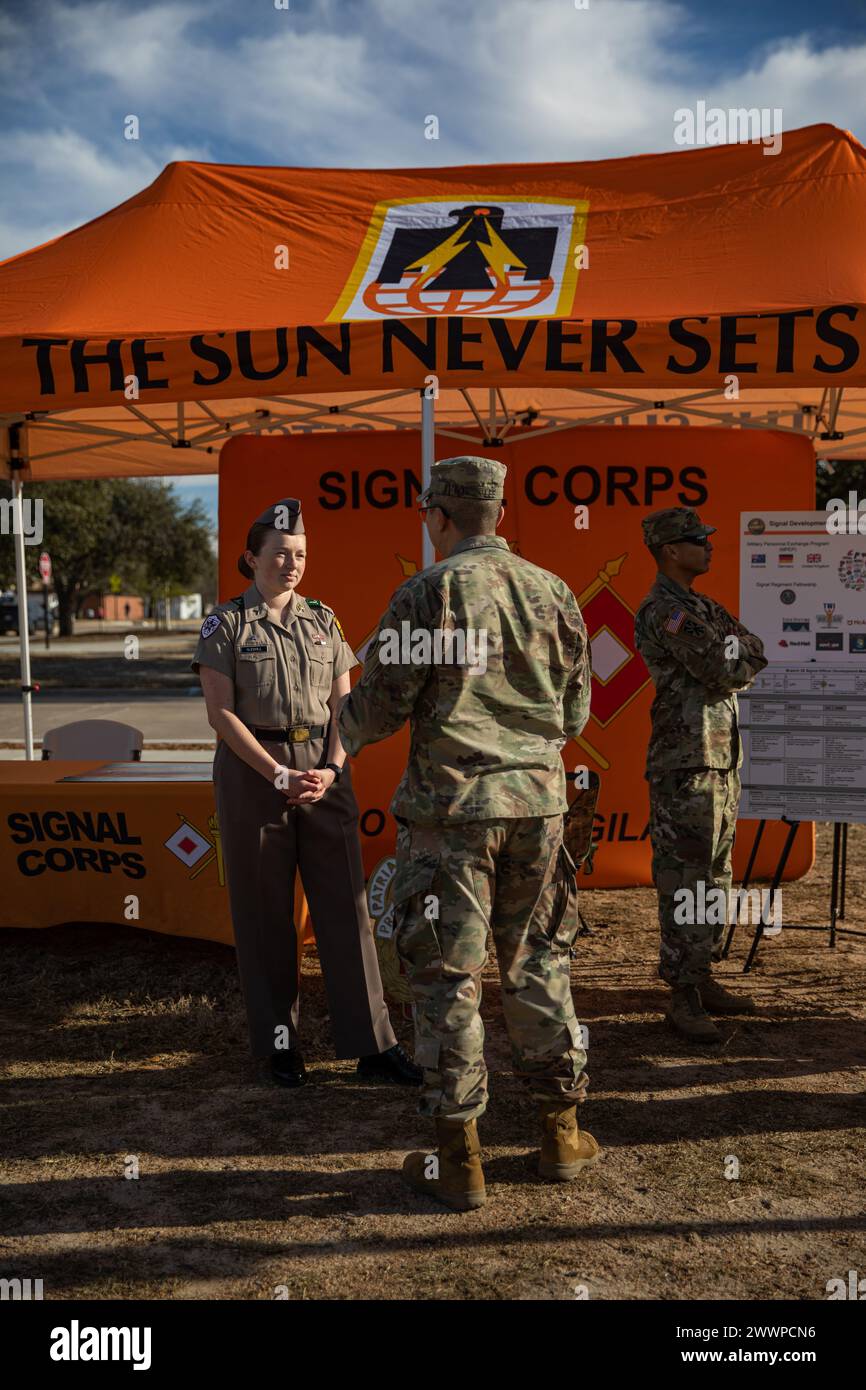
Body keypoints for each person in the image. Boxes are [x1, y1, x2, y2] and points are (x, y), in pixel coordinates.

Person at [338, 456, 599, 1212]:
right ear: (498, 514)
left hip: (451, 815)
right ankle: (560, 1135)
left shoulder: (427, 593)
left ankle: (460, 1157)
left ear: (439, 517)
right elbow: (576, 715)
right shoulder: (555, 593)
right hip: (538, 808)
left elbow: (379, 706)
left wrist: (326, 746)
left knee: (449, 977)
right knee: (539, 963)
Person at [190, 496, 421, 1089]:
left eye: (300, 555)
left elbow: (345, 706)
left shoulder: (325, 621)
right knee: (267, 915)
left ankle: (372, 1046)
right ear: (251, 558)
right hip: (255, 775)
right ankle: (280, 1044)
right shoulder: (226, 624)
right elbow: (221, 715)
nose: (291, 564)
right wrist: (277, 774)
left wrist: (334, 770)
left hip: (324, 772)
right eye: (280, 554)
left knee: (346, 910)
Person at [634, 507, 768, 1042]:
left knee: (715, 875)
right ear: (670, 549)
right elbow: (723, 666)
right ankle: (682, 996)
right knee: (685, 880)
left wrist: (734, 654)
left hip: (719, 757)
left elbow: (753, 649)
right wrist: (733, 656)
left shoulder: (701, 606)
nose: (709, 547)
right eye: (697, 540)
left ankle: (703, 975)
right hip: (685, 762)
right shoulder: (663, 610)